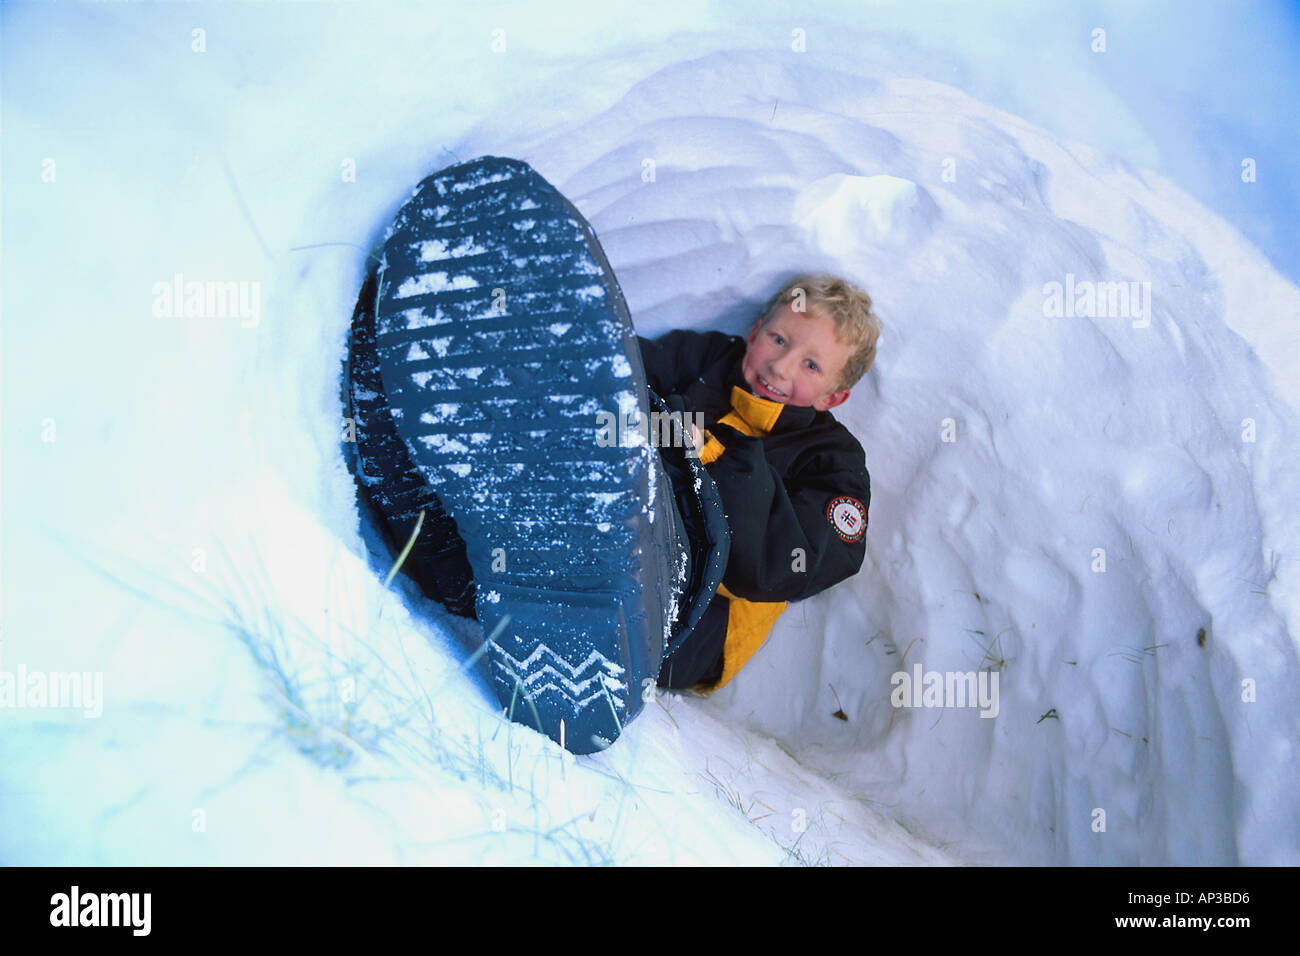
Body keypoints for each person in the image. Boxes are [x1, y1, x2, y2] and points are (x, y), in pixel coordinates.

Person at [638, 273, 879, 691]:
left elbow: (785, 563)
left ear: (832, 397)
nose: (780, 366)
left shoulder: (833, 461)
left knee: (628, 613)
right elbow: (626, 375)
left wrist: (710, 454)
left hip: (705, 618)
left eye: (811, 365)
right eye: (779, 339)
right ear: (755, 332)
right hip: (627, 531)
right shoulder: (709, 359)